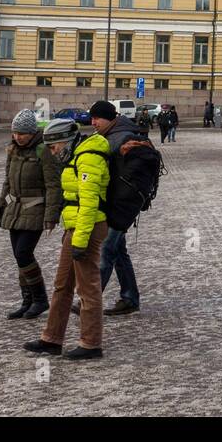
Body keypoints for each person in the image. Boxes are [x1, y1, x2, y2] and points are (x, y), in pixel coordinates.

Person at [24, 118, 109, 361]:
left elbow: (89, 204)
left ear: (67, 141)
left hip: (88, 228)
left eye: (54, 147)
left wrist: (80, 241)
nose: (53, 152)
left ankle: (91, 343)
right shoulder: (75, 157)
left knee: (87, 288)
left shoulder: (88, 157)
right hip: (76, 227)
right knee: (62, 285)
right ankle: (51, 339)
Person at [0, 108, 62, 320]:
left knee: (24, 253)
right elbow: (8, 181)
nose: (18, 137)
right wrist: (1, 205)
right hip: (14, 210)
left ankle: (40, 299)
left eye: (22, 133)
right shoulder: (13, 150)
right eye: (15, 133)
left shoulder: (43, 152)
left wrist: (51, 216)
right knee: (19, 256)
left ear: (32, 133)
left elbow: (53, 186)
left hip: (35, 210)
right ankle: (27, 301)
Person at [81, 100, 141, 317]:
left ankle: (88, 300)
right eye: (92, 118)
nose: (93, 122)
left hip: (120, 205)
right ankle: (130, 298)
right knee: (119, 252)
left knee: (106, 251)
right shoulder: (113, 134)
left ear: (110, 118)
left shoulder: (119, 138)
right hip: (117, 203)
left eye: (97, 118)